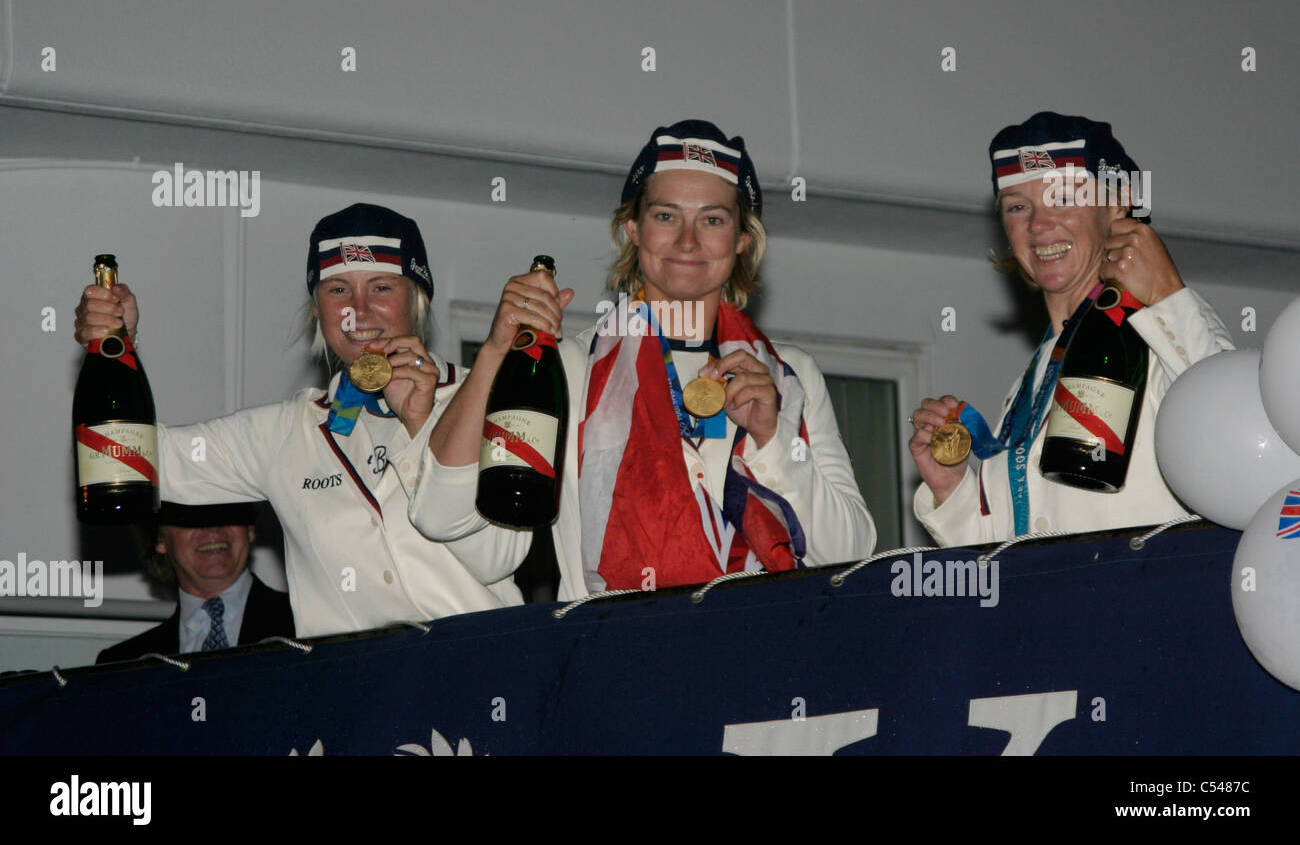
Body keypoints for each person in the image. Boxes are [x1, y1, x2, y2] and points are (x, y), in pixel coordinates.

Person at [420, 119, 876, 598]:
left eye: (713, 220)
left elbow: (851, 553)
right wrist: (495, 353)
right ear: (632, 229)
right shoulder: (574, 368)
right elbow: (453, 522)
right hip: (616, 655)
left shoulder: (790, 375)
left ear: (743, 239)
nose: (687, 241)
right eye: (666, 216)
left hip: (766, 652)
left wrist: (771, 443)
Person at [74, 203, 526, 637]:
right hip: (354, 699)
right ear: (317, 312)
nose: (357, 310)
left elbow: (498, 558)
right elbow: (128, 461)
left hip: (478, 684)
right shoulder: (287, 433)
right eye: (337, 290)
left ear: (419, 300)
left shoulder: (490, 400)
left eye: (382, 288)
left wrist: (421, 425)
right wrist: (117, 351)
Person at [909, 112, 1234, 547]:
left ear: (1117, 206)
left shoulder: (1159, 334)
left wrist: (1168, 294)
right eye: (1018, 207)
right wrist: (952, 489)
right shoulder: (1031, 381)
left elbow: (1236, 431)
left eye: (1062, 199)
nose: (1039, 225)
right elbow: (1015, 550)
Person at [96, 501, 294, 663]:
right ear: (160, 539)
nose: (212, 528)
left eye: (226, 510)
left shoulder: (306, 626)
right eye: (191, 516)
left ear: (249, 529)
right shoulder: (123, 664)